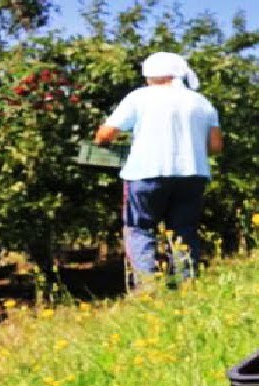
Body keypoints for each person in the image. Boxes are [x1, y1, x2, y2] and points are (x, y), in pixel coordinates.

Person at [94, 51, 223, 287]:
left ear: (150, 76)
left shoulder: (139, 98)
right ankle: (186, 285)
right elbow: (215, 146)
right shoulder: (202, 102)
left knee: (140, 229)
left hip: (146, 173)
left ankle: (148, 287)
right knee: (184, 231)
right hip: (192, 174)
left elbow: (106, 133)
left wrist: (102, 142)